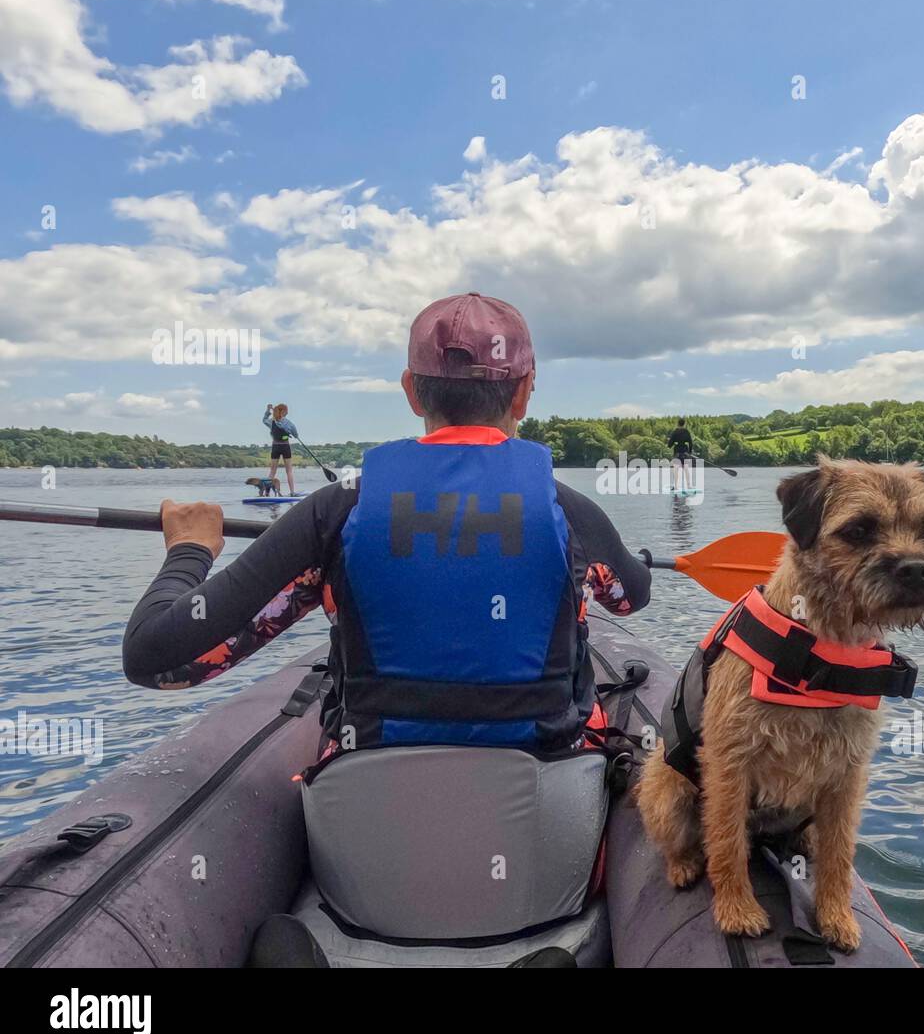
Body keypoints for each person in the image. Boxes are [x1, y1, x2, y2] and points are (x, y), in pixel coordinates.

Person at [123, 292, 651, 756]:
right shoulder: (572, 512)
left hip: (367, 812)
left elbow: (156, 658)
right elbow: (631, 596)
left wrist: (190, 548)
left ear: (411, 391)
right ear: (524, 391)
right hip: (548, 802)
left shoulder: (337, 510)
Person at [263, 403, 299, 496]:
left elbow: (264, 420)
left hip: (275, 447)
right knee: (289, 471)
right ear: (284, 412)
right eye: (287, 410)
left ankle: (266, 492)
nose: (288, 412)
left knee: (272, 471)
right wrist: (294, 435)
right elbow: (295, 435)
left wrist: (268, 411)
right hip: (285, 447)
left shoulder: (272, 421)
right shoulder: (289, 423)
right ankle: (292, 492)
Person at [667, 416, 694, 492]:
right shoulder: (687, 432)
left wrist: (670, 443)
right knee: (686, 470)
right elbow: (691, 443)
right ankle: (689, 486)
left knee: (676, 470)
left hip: (677, 453)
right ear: (684, 424)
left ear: (678, 424)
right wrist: (690, 452)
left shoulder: (675, 432)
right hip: (685, 452)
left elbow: (669, 445)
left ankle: (675, 486)